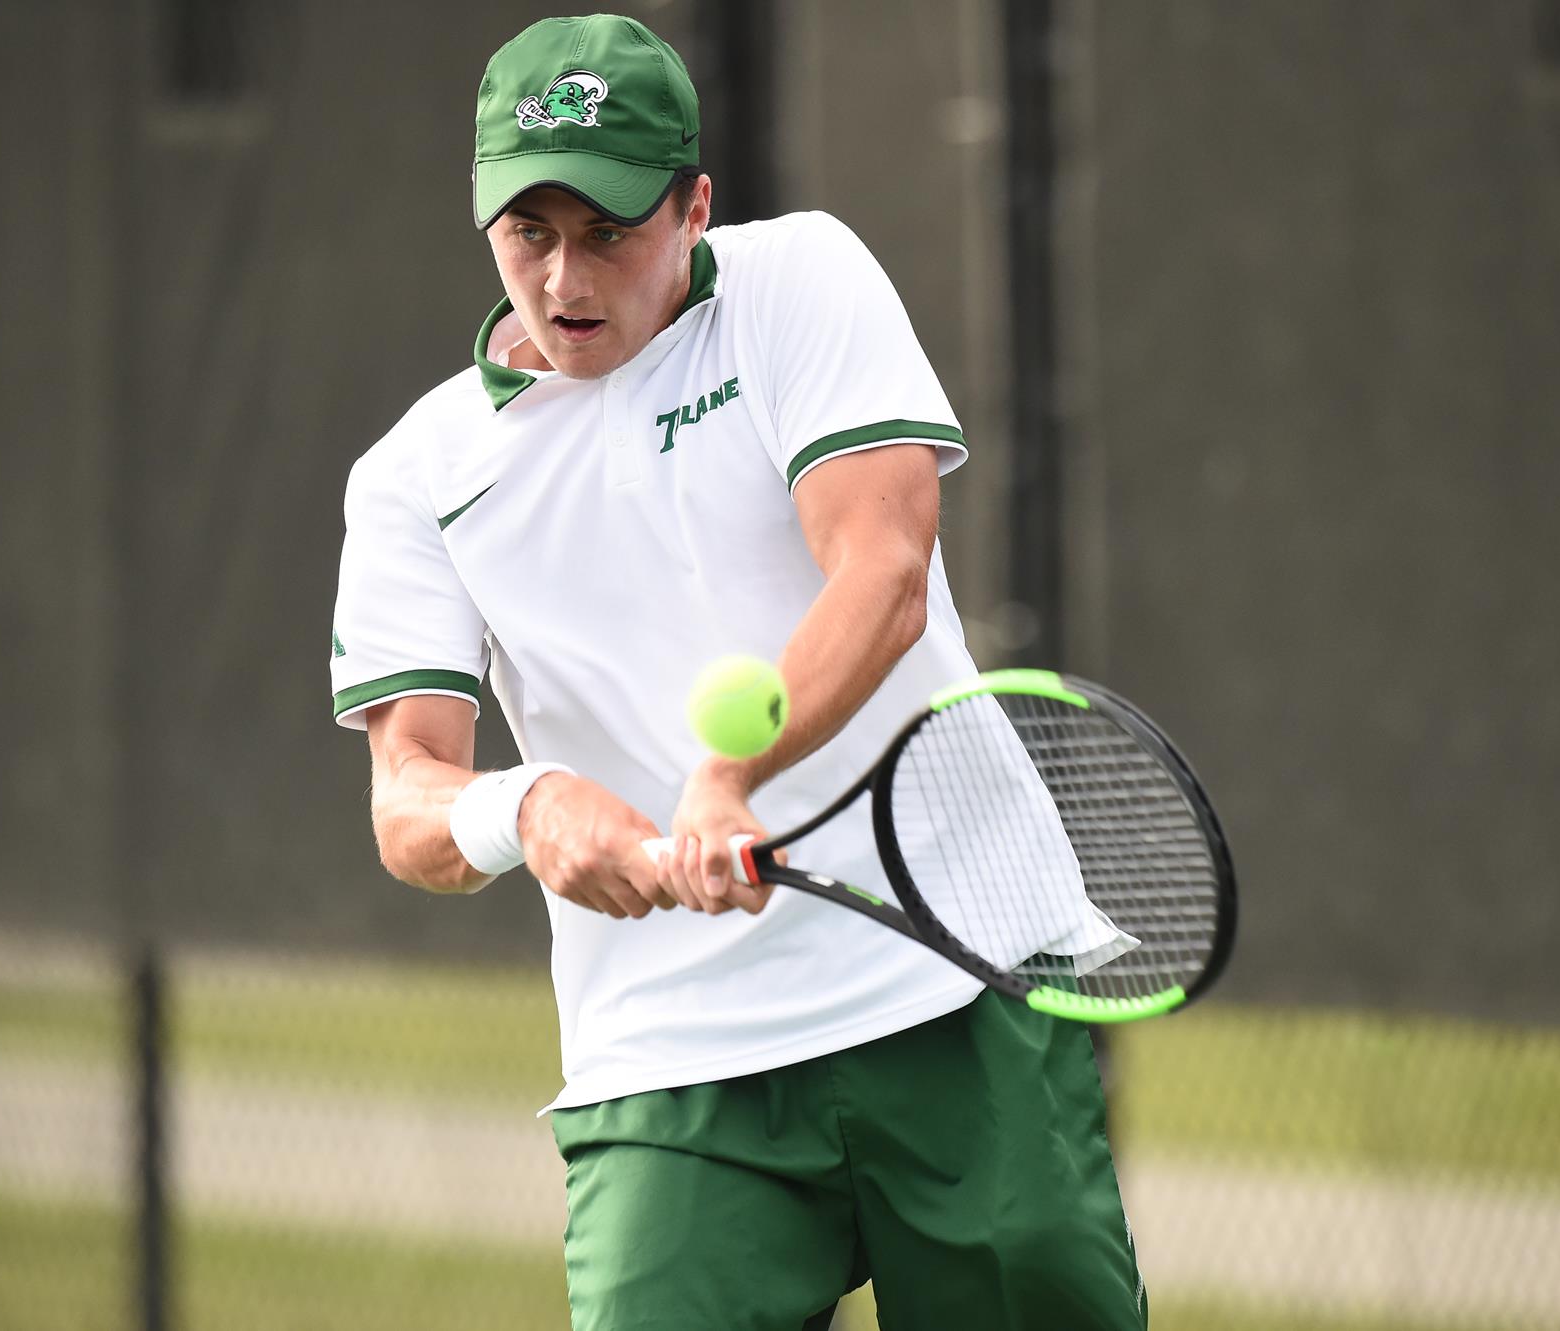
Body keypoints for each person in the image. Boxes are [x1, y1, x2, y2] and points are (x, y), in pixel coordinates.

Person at [329, 14, 1146, 1330]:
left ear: (695, 207)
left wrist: (728, 775)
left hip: (947, 975)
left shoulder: (799, 281)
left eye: (609, 230)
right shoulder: (413, 479)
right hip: (671, 1065)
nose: (564, 276)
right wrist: (527, 808)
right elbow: (408, 794)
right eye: (529, 232)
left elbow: (881, 570)